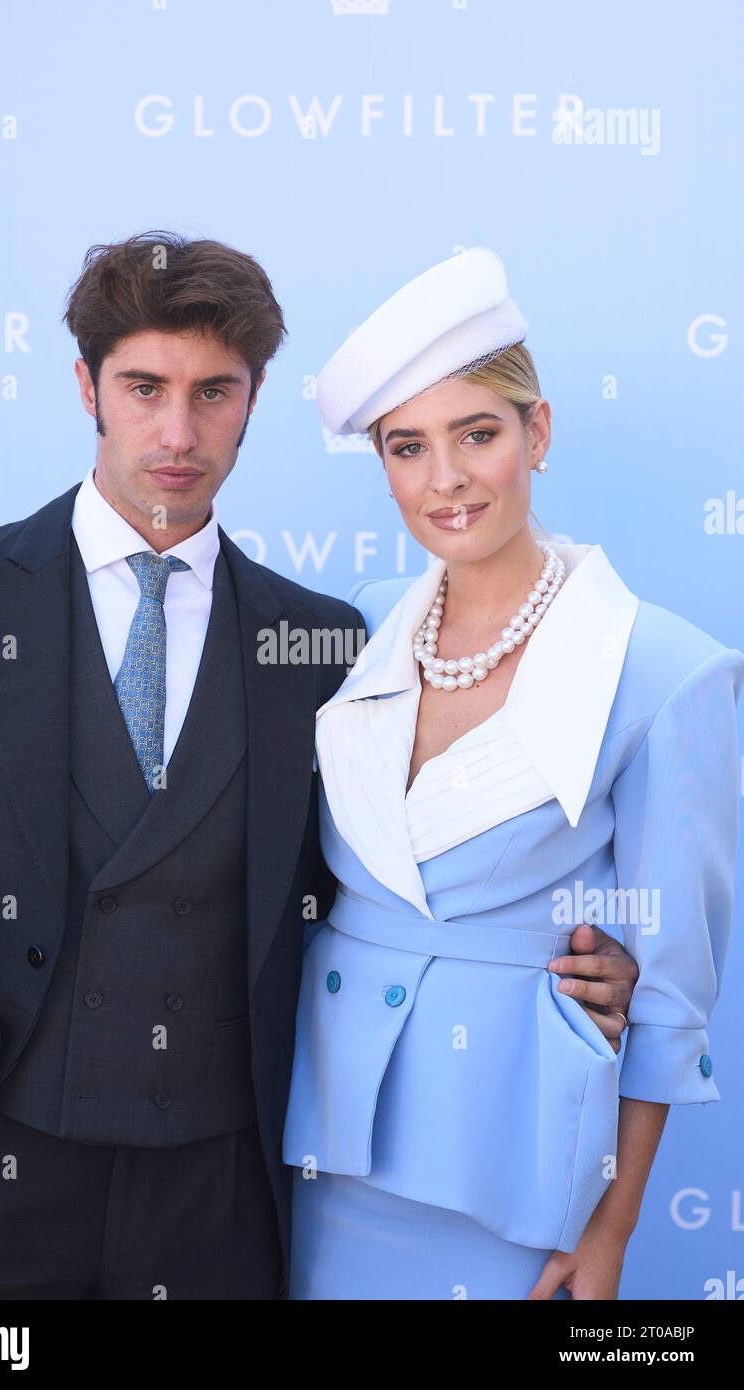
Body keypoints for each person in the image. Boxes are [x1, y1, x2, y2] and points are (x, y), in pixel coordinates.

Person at [0, 232, 639, 1300]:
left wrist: (560, 973)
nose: (177, 432)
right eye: (144, 387)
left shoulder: (320, 641)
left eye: (214, 392)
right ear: (87, 387)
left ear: (254, 397)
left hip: (221, 1189)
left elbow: (387, 880)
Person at [282, 247, 744, 1300]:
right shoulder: (355, 626)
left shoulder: (665, 670)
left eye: (475, 434)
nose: (442, 479)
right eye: (407, 448)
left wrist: (612, 1227)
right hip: (317, 1146)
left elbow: (669, 995)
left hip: (515, 1175)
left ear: (536, 433)